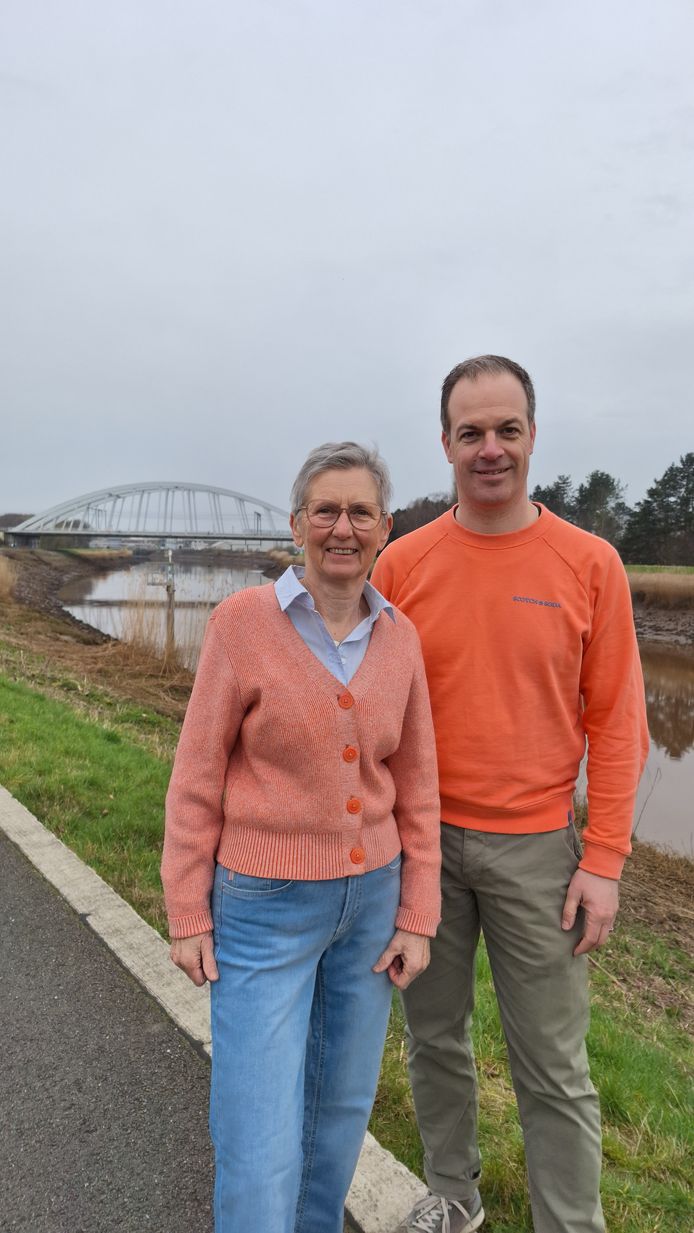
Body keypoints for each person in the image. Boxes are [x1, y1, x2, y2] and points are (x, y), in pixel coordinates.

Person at [371, 356, 649, 1233]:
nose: (490, 449)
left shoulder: (590, 562)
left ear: (532, 435)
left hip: (539, 852)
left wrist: (602, 859)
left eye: (507, 430)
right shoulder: (402, 563)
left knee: (555, 1066)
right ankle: (453, 1195)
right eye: (471, 433)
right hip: (421, 849)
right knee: (434, 1039)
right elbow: (369, 710)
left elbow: (620, 724)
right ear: (445, 442)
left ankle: (570, 1220)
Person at [161, 441, 441, 1233]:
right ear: (296, 525)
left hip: (373, 908)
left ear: (385, 527)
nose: (341, 527)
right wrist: (188, 909)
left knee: (339, 1112)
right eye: (326, 510)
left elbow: (418, 786)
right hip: (263, 906)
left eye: (359, 511)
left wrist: (418, 913)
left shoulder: (401, 637)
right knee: (258, 1131)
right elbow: (195, 776)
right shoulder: (241, 624)